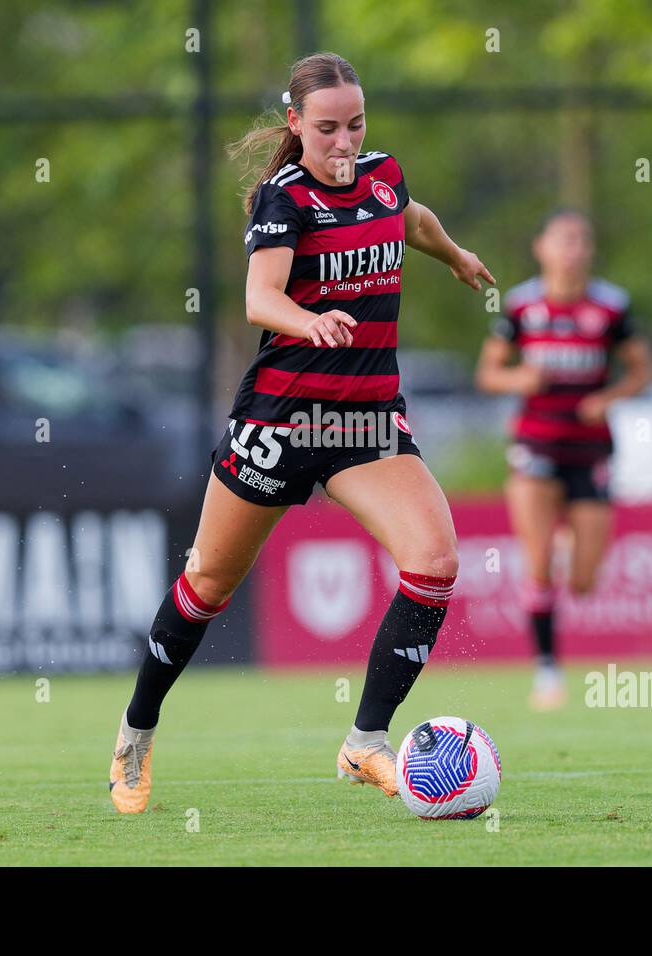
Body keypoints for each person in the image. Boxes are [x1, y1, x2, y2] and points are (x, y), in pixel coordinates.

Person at [108, 51, 495, 812]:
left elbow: (409, 218)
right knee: (206, 586)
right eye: (327, 129)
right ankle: (136, 731)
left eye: (354, 125)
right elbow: (260, 297)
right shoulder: (284, 201)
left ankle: (365, 745)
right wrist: (307, 319)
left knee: (435, 562)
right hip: (281, 420)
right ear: (295, 124)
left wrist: (453, 254)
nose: (344, 142)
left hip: (366, 420)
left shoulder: (384, 174)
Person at [475, 209, 652, 710]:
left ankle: (566, 548)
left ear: (589, 251)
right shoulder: (520, 306)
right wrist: (519, 379)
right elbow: (488, 374)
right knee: (536, 563)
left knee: (584, 580)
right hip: (534, 445)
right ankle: (547, 671)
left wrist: (609, 398)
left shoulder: (611, 307)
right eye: (563, 240)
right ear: (542, 248)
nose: (572, 250)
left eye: (581, 241)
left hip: (589, 448)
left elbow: (642, 370)